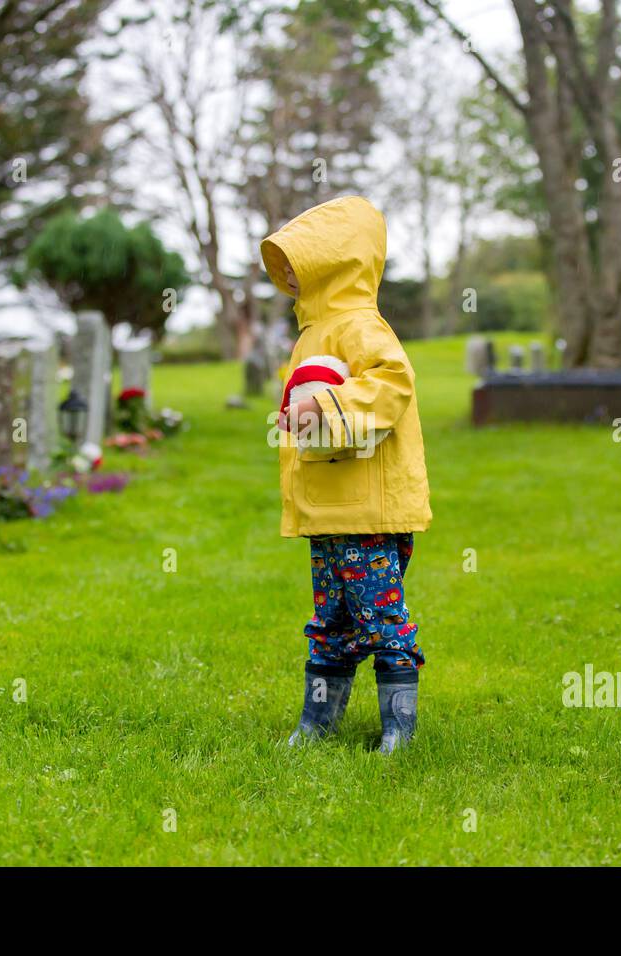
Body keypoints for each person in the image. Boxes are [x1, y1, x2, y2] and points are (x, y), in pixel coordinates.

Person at [261, 195, 432, 754]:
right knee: (331, 617)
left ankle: (398, 727)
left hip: (366, 512)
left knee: (381, 614)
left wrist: (325, 409)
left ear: (332, 262)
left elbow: (392, 384)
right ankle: (317, 721)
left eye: (295, 259)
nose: (284, 271)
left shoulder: (359, 325)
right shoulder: (312, 333)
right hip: (329, 507)